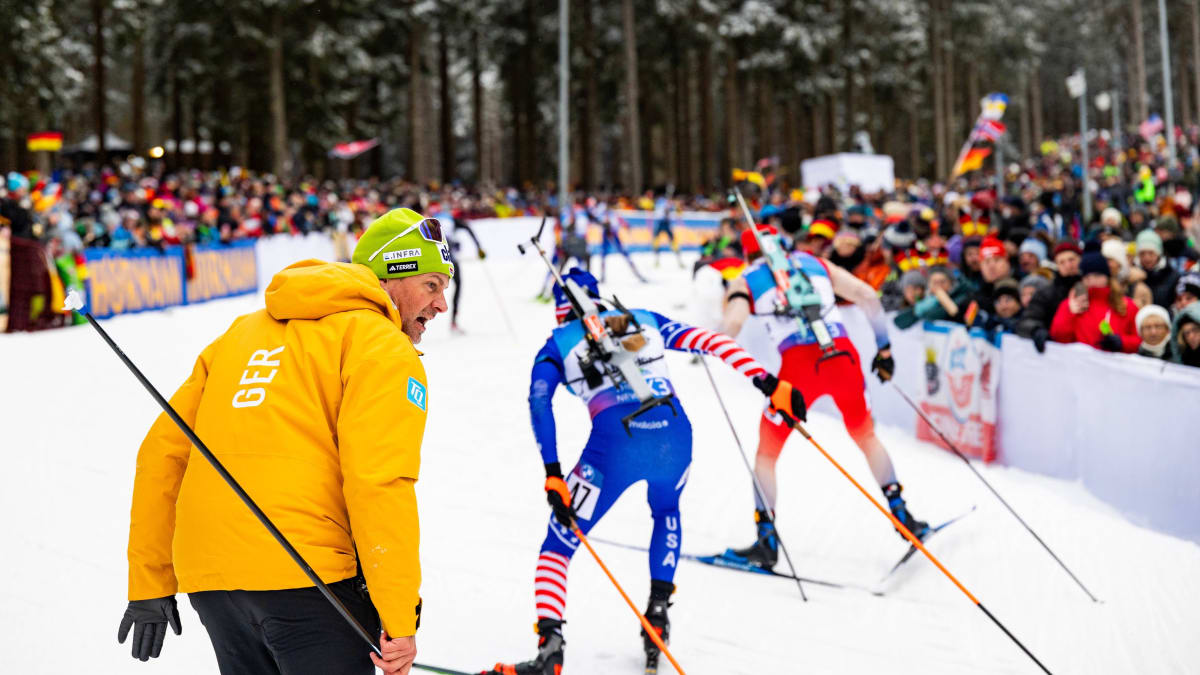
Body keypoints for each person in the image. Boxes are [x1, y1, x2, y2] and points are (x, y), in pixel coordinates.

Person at [119, 208, 453, 675]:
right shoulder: (381, 345)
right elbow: (378, 483)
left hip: (215, 584)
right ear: (388, 277)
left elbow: (162, 454)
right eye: (431, 285)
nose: (441, 305)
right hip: (311, 584)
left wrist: (150, 583)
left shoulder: (241, 333)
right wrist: (399, 618)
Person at [488, 268, 803, 674]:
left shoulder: (557, 343)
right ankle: (658, 611)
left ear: (560, 309)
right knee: (667, 511)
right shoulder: (641, 318)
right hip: (674, 437)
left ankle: (551, 648)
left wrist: (553, 471)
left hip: (615, 446)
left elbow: (538, 401)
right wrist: (769, 383)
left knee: (558, 545)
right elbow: (711, 341)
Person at [715, 225, 927, 572]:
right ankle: (904, 516)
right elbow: (868, 297)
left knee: (767, 453)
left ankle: (766, 541)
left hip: (798, 368)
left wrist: (711, 342)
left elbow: (732, 325)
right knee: (866, 436)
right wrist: (884, 350)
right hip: (843, 357)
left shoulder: (746, 278)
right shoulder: (814, 263)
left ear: (747, 252)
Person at [1050, 251, 1140, 353]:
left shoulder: (1127, 305)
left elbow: (1140, 341)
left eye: (1097, 275)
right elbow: (1059, 338)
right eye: (1087, 277)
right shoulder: (1070, 304)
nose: (1092, 280)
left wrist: (1122, 342)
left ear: (1107, 277)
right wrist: (1068, 313)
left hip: (1116, 361)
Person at [1017, 241, 1083, 352]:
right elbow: (1027, 320)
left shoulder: (1093, 287)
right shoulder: (1046, 292)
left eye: (1071, 260)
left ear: (1080, 260)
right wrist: (1036, 330)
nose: (1068, 265)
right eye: (1062, 262)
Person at [1128, 229, 1180, 308]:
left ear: (1158, 253)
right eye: (1142, 253)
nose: (1147, 258)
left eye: (1151, 253)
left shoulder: (1172, 276)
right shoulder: (1130, 276)